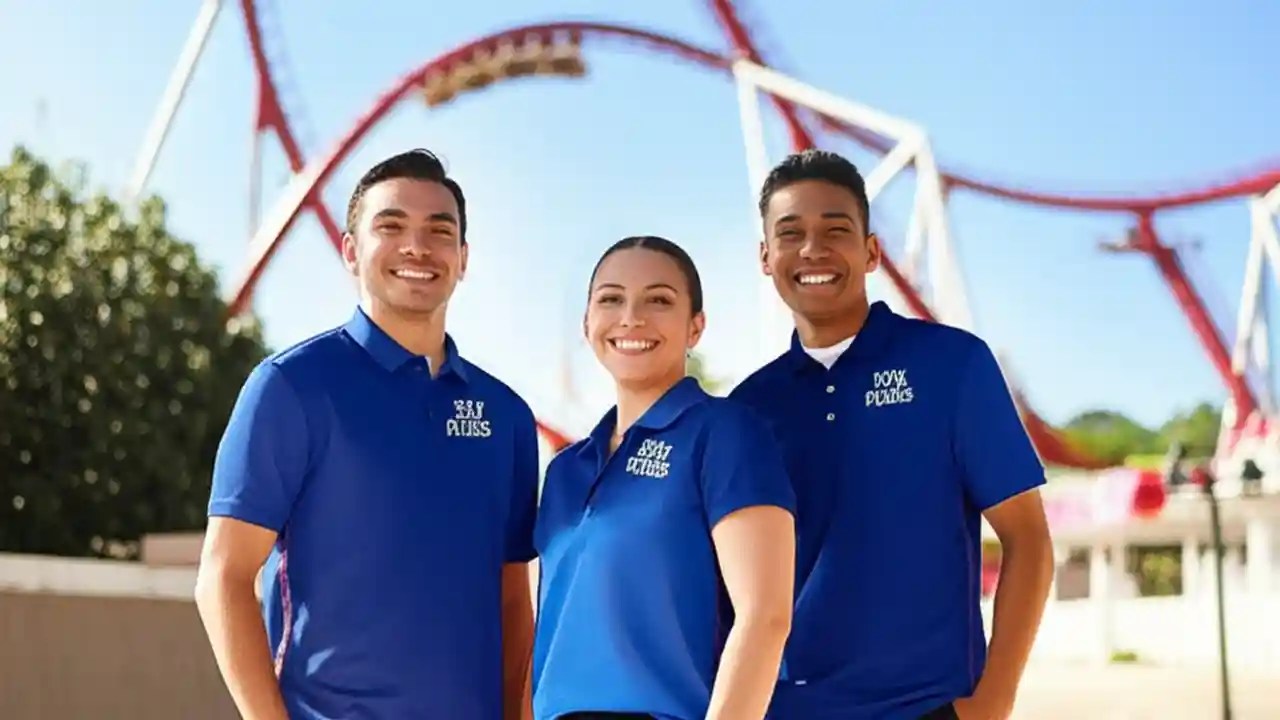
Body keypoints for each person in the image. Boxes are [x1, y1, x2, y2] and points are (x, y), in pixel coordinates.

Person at [195, 149, 538, 720]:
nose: (417, 247)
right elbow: (222, 578)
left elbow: (510, 600)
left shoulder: (506, 417)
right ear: (351, 251)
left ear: (463, 258)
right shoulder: (290, 387)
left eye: (439, 230)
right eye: (392, 226)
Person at [729, 150, 1054, 720]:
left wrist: (993, 702)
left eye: (836, 230)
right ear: (765, 257)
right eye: (791, 234)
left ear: (871, 251)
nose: (813, 249)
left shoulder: (952, 365)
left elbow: (1027, 540)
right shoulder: (746, 409)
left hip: (928, 707)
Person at [531, 236, 797, 720]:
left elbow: (766, 617)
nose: (631, 317)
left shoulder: (726, 433)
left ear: (695, 326)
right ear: (587, 322)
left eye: (658, 300)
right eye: (611, 299)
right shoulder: (567, 470)